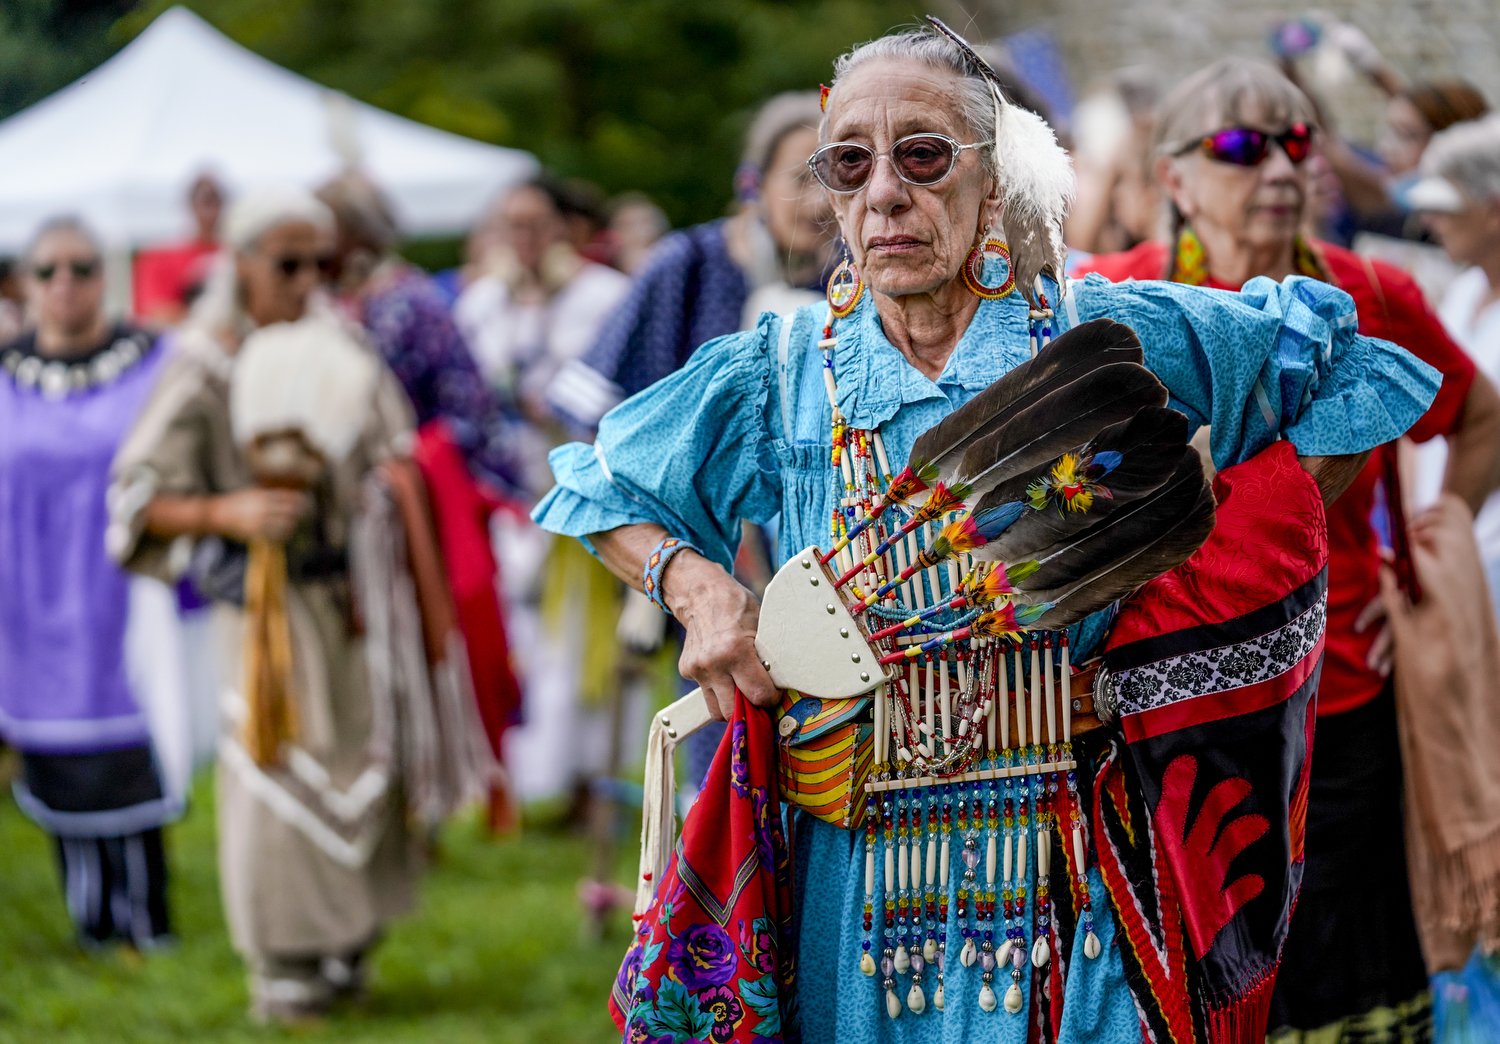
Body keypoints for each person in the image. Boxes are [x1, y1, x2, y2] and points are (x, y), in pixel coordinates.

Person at [532, 23, 1440, 1043]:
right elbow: (596, 483)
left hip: (1074, 875)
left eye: (923, 155)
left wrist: (1205, 588)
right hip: (856, 877)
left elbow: (1335, 370)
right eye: (849, 163)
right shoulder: (777, 372)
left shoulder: (1103, 341)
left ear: (996, 175)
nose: (884, 193)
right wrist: (699, 592)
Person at [1078, 57, 1500, 1043]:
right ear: (1173, 175)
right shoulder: (1116, 300)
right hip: (1156, 709)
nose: (1279, 166)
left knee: (1337, 982)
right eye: (1240, 145)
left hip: (1340, 689)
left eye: (1298, 142)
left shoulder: (1367, 291)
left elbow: (1480, 416)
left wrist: (1433, 548)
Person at [108, 187, 490, 1023]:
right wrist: (226, 512)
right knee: (275, 783)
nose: (309, 278)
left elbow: (400, 449)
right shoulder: (205, 363)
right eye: (288, 263)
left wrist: (386, 491)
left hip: (355, 604)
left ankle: (346, 951)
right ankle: (283, 967)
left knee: (367, 767)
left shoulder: (342, 347)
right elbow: (136, 496)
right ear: (241, 264)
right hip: (263, 615)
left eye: (323, 262)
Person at [316, 170, 523, 829]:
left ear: (355, 233)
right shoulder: (331, 305)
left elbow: (467, 412)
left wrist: (414, 465)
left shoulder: (408, 304)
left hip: (417, 510)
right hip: (352, 508)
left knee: (417, 646)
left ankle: (425, 795)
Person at [0, 217, 175, 951]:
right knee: (56, 752)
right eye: (47, 271)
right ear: (25, 285)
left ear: (106, 275)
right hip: (28, 603)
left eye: (80, 267)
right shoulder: (5, 375)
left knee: (135, 743)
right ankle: (92, 921)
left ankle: (145, 921)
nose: (64, 284)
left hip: (124, 594)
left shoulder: (159, 362)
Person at [552, 92, 833, 428]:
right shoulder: (687, 264)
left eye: (833, 180)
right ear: (753, 183)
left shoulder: (847, 278)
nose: (820, 202)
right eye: (801, 179)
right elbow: (594, 403)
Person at [454, 174, 631, 494]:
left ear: (559, 227)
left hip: (592, 473)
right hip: (506, 479)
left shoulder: (607, 295)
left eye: (534, 224)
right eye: (512, 226)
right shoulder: (481, 303)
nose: (524, 238)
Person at [1410, 116, 1500, 620]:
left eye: (1447, 207)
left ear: (1494, 210)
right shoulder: (1464, 294)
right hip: (1447, 554)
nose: (1431, 220)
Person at [133, 173, 225, 326]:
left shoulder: (239, 254)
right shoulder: (160, 257)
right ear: (191, 204)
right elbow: (155, 314)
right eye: (206, 201)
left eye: (215, 200)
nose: (211, 211)